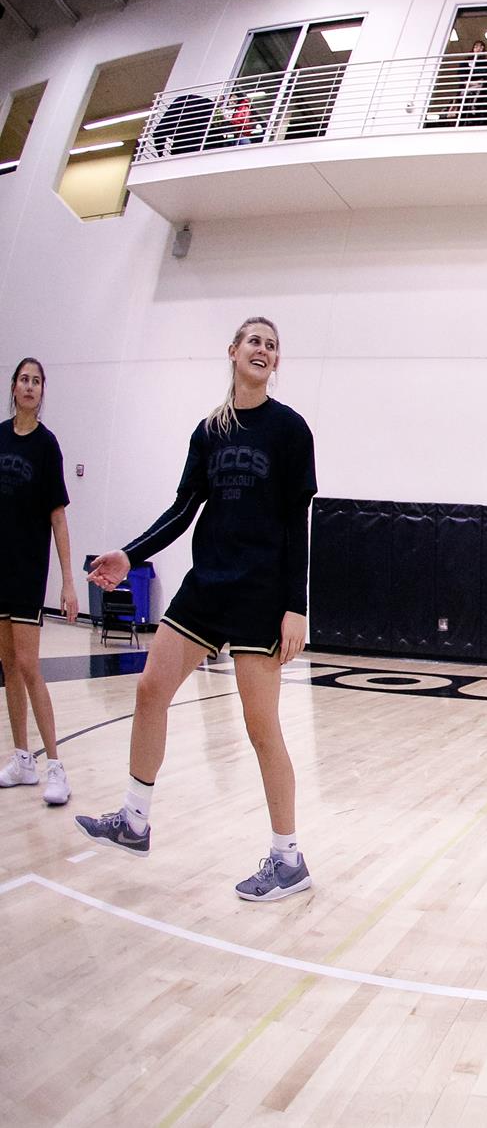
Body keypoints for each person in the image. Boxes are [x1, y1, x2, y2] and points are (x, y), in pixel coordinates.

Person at [74, 317, 318, 902]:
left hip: (261, 593)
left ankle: (289, 858)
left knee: (262, 729)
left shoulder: (290, 430)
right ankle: (135, 820)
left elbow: (297, 525)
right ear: (232, 352)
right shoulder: (209, 432)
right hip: (207, 585)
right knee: (150, 689)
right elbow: (183, 510)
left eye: (272, 344)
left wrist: (296, 607)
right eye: (254, 341)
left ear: (275, 363)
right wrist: (128, 555)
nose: (263, 349)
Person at [0, 358, 78, 806]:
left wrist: (68, 581)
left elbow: (58, 517)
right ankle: (21, 759)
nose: (29, 386)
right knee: (8, 667)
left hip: (29, 570)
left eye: (36, 381)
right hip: (0, 570)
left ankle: (56, 766)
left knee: (29, 667)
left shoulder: (47, 447)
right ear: (13, 387)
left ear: (41, 391)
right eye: (23, 379)